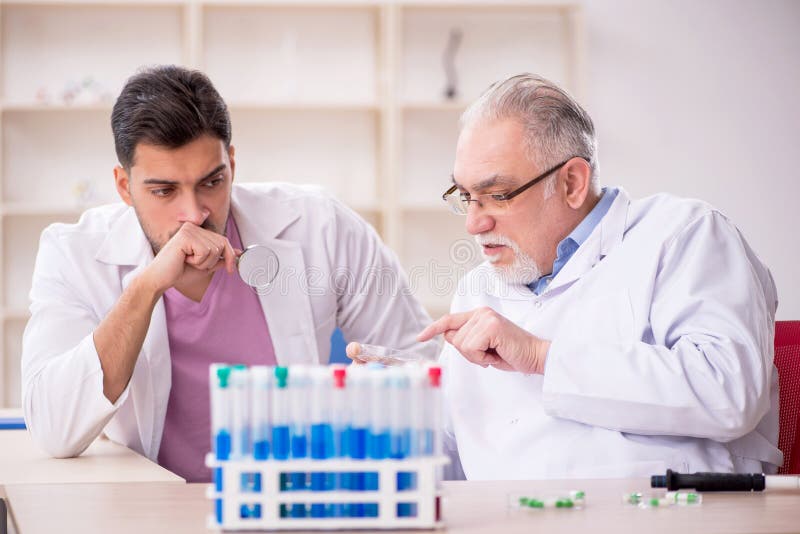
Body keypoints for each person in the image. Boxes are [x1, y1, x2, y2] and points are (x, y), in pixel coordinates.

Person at [21, 65, 435, 482]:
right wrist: (145, 288)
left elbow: (421, 363)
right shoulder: (72, 252)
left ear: (232, 165)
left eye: (211, 181)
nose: (194, 213)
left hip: (298, 499)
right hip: (157, 508)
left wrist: (374, 395)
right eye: (164, 190)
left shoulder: (320, 225)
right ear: (124, 187)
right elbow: (57, 431)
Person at [414, 73, 781, 479]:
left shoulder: (685, 235)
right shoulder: (479, 289)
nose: (473, 223)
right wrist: (387, 409)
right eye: (465, 196)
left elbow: (728, 394)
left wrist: (542, 357)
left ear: (572, 182)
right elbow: (449, 447)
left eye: (498, 196)